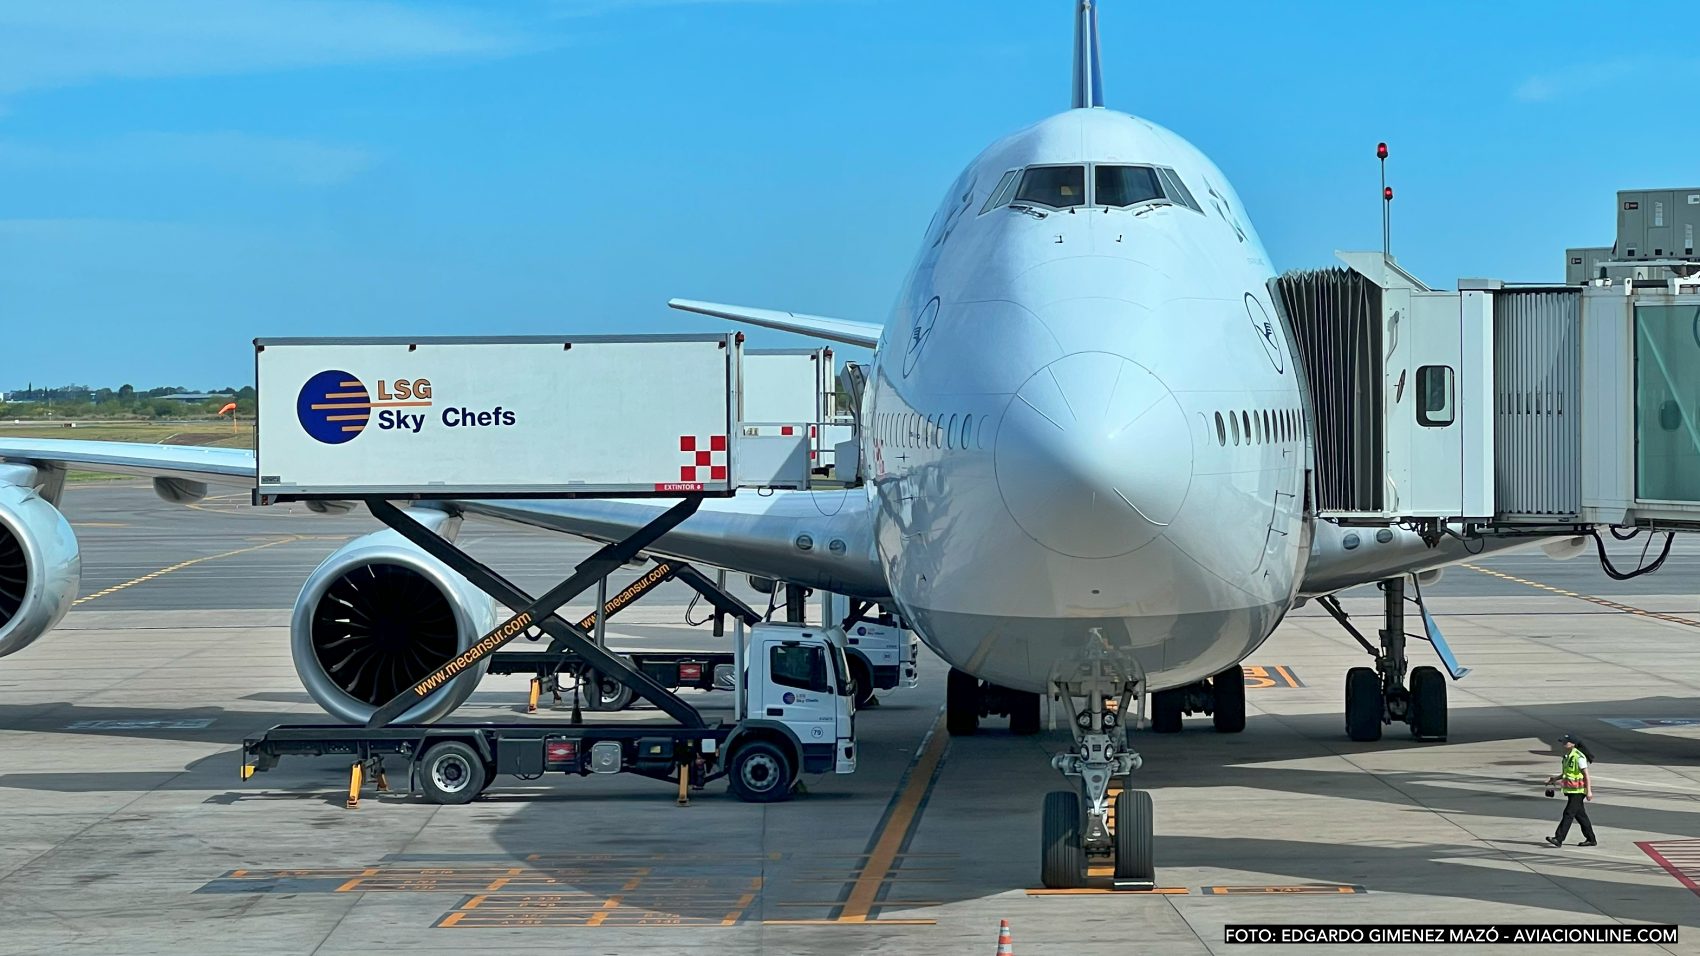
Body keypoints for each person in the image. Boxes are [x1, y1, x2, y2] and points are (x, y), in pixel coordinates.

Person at [1544, 734, 1596, 847]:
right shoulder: (1568, 756)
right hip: (1571, 791)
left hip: (1578, 791)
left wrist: (1589, 791)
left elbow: (1586, 775)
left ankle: (1559, 838)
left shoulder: (1579, 757)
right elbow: (1567, 774)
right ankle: (1591, 839)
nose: (1563, 743)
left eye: (1566, 742)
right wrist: (1554, 779)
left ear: (1573, 744)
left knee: (1568, 814)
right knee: (1580, 815)